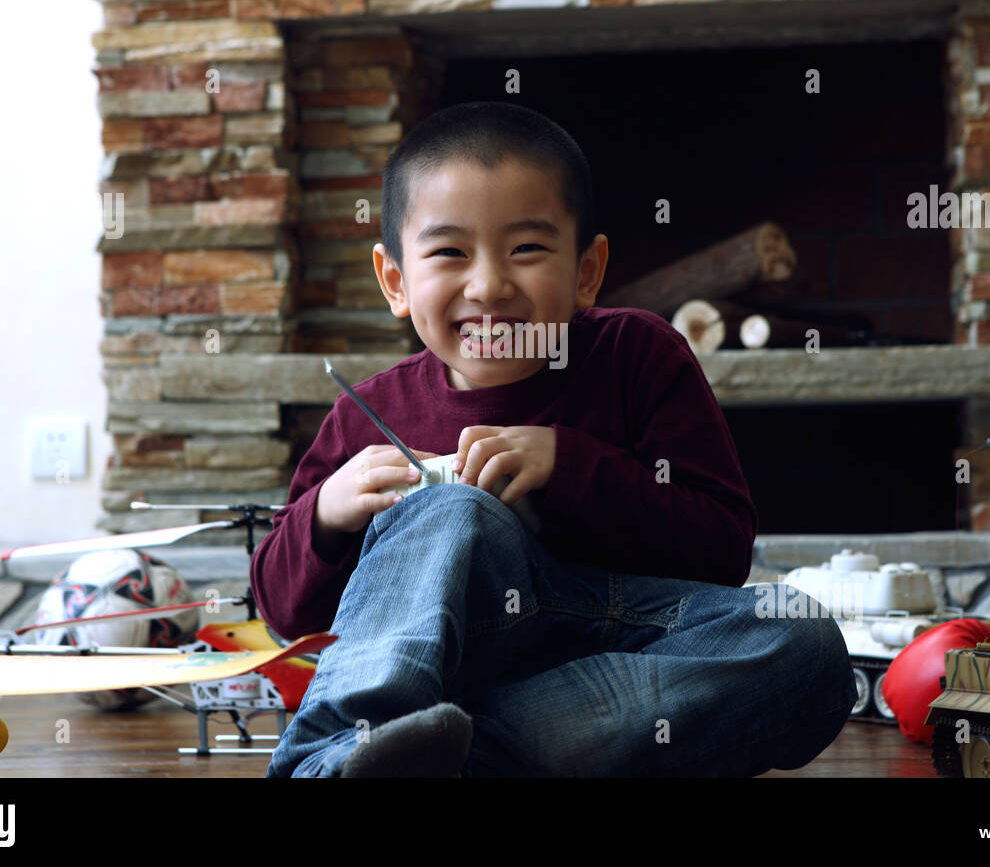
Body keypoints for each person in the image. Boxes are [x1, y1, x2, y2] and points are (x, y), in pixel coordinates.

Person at [250, 101, 856, 777]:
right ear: (395, 281)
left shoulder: (637, 354)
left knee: (802, 638)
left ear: (586, 273)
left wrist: (570, 468)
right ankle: (338, 752)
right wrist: (328, 513)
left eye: (527, 250)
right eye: (450, 252)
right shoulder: (370, 413)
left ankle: (452, 761)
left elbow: (721, 551)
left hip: (618, 649)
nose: (488, 285)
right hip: (445, 667)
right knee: (448, 509)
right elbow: (283, 610)